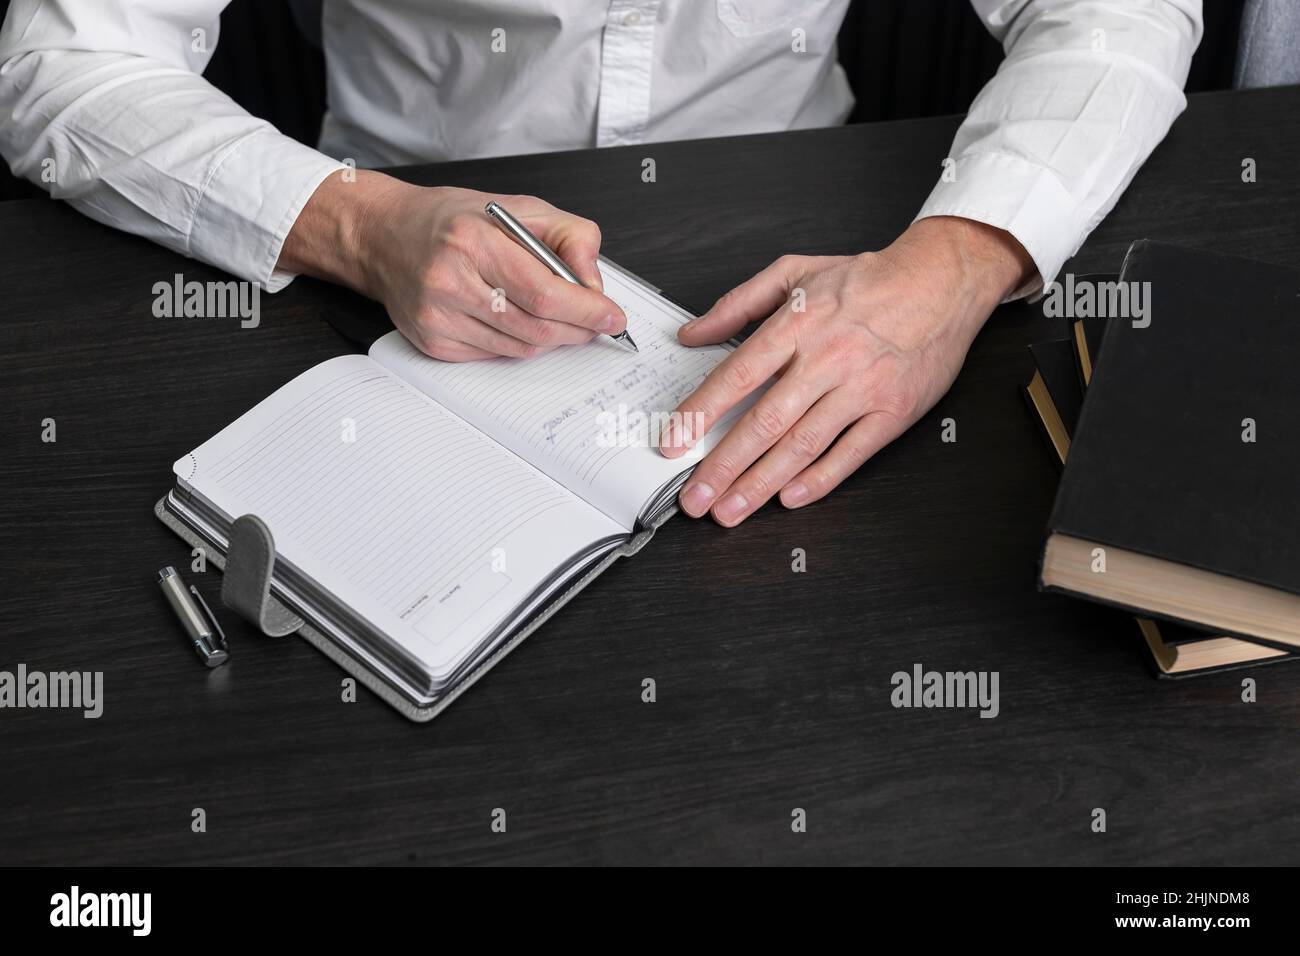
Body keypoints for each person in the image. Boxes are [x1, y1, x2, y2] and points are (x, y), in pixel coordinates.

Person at [0, 1, 1202, 525]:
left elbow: (1120, 7)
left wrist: (956, 264)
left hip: (816, 262)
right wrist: (355, 224)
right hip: (374, 268)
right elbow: (61, 64)